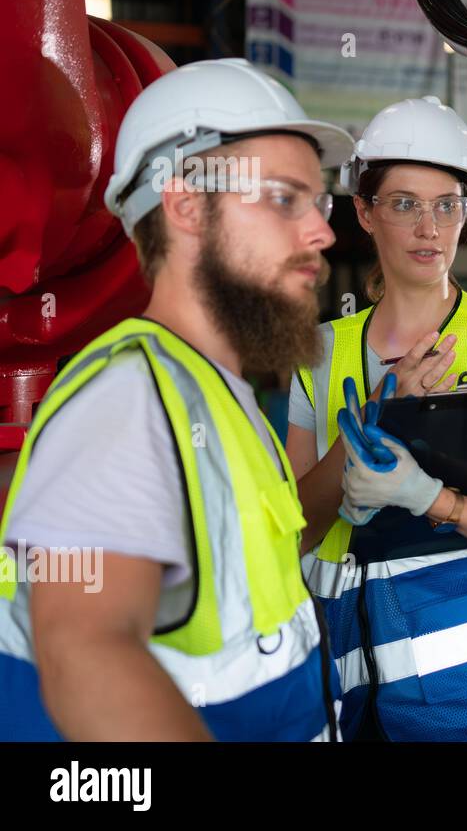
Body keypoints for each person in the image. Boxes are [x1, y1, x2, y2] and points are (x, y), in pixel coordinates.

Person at [0, 58, 353, 740]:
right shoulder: (129, 398)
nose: (322, 232)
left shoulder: (219, 396)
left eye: (320, 201)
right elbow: (84, 652)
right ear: (187, 204)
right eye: (284, 198)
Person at [285, 96, 467, 742]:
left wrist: (428, 498)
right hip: (341, 689)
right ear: (364, 212)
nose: (429, 226)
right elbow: (297, 530)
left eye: (448, 204)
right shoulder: (317, 352)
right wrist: (374, 423)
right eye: (404, 203)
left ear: (466, 214)